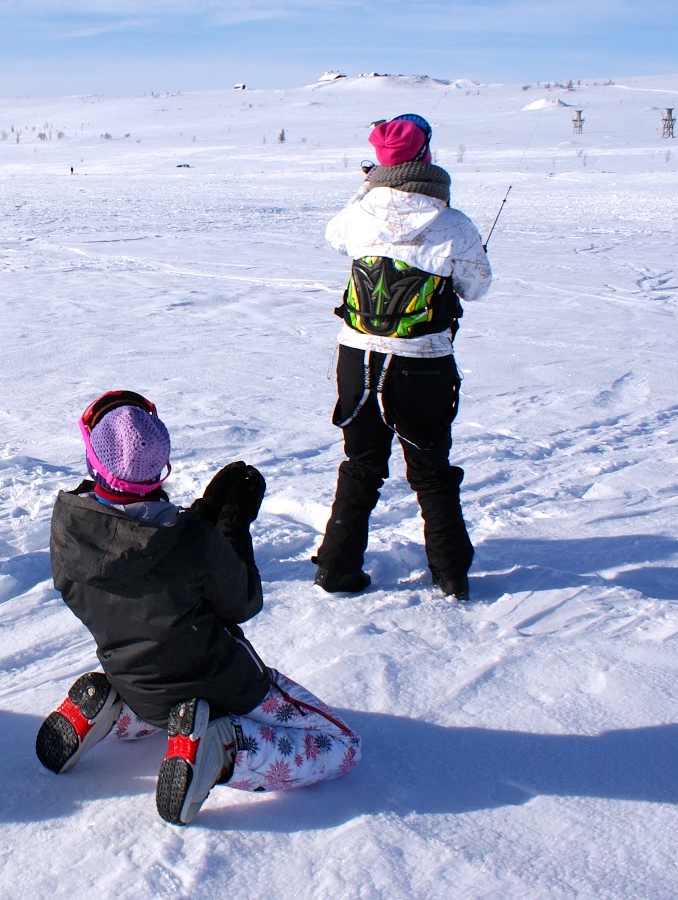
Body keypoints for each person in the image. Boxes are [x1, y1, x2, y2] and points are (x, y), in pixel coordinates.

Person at [38, 391, 361, 825]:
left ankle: (109, 708)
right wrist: (231, 527)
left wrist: (205, 517)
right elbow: (242, 602)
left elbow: (140, 555)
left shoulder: (69, 527)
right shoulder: (191, 542)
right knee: (341, 744)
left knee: (164, 708)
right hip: (224, 685)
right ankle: (223, 749)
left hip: (137, 683)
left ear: (94, 461)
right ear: (161, 464)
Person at [311, 114, 492, 601]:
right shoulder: (454, 223)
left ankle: (335, 566)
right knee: (432, 471)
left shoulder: (359, 213)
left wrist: (365, 191)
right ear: (427, 157)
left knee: (360, 463)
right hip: (423, 361)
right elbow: (477, 288)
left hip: (358, 357)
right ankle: (450, 574)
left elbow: (334, 236)